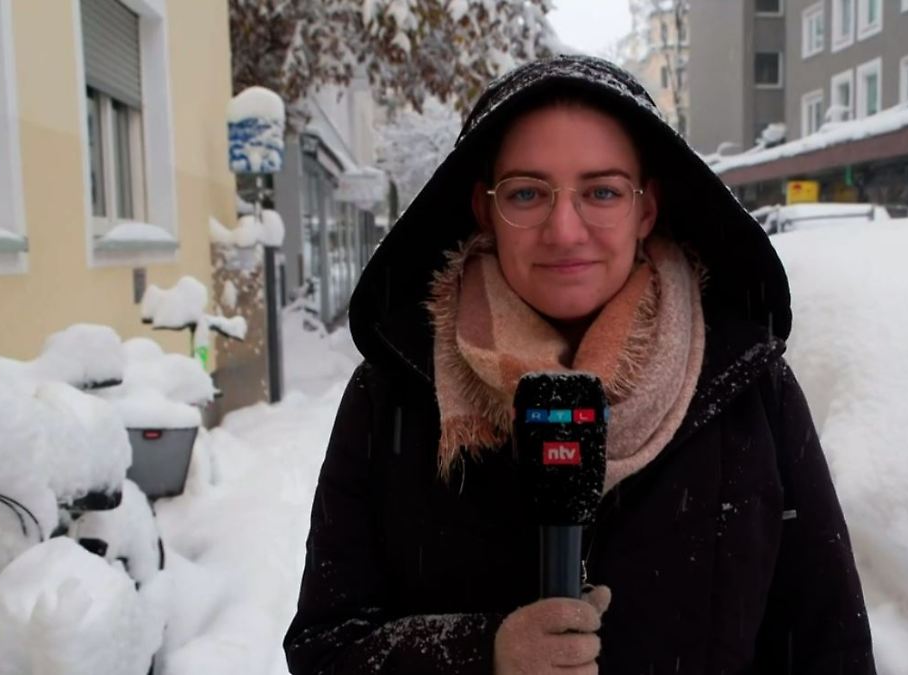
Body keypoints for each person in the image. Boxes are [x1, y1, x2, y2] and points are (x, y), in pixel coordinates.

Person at [284, 55, 875, 674]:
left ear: (646, 209)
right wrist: (484, 655)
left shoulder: (750, 389)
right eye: (526, 193)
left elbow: (827, 647)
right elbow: (326, 648)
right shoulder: (393, 396)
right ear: (485, 210)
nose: (565, 231)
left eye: (602, 191)